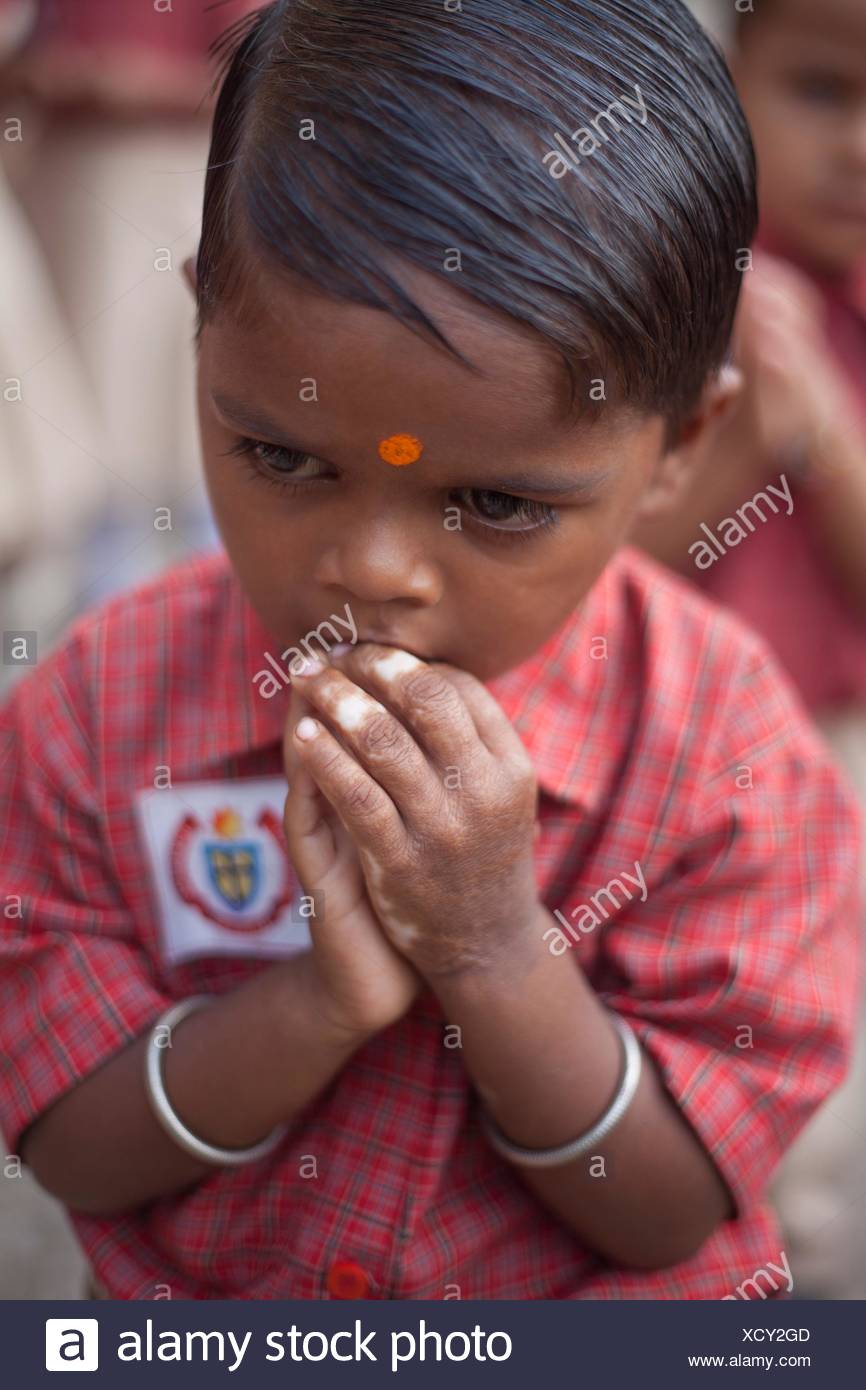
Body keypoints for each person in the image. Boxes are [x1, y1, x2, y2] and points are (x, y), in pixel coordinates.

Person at [0, 0, 860, 1301]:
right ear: (199, 335)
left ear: (684, 444)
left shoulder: (725, 751)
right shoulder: (97, 708)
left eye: (499, 503)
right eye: (284, 455)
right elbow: (68, 1143)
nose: (373, 571)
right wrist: (313, 1001)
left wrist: (491, 951)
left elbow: (669, 1206)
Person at [634, 0, 866, 1298]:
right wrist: (740, 435)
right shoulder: (685, 290)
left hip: (838, 752)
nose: (859, 146)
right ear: (733, 86)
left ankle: (801, 1299)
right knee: (691, 1047)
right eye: (822, 93)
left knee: (821, 1074)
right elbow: (610, 566)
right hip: (685, 754)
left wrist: (818, 434)